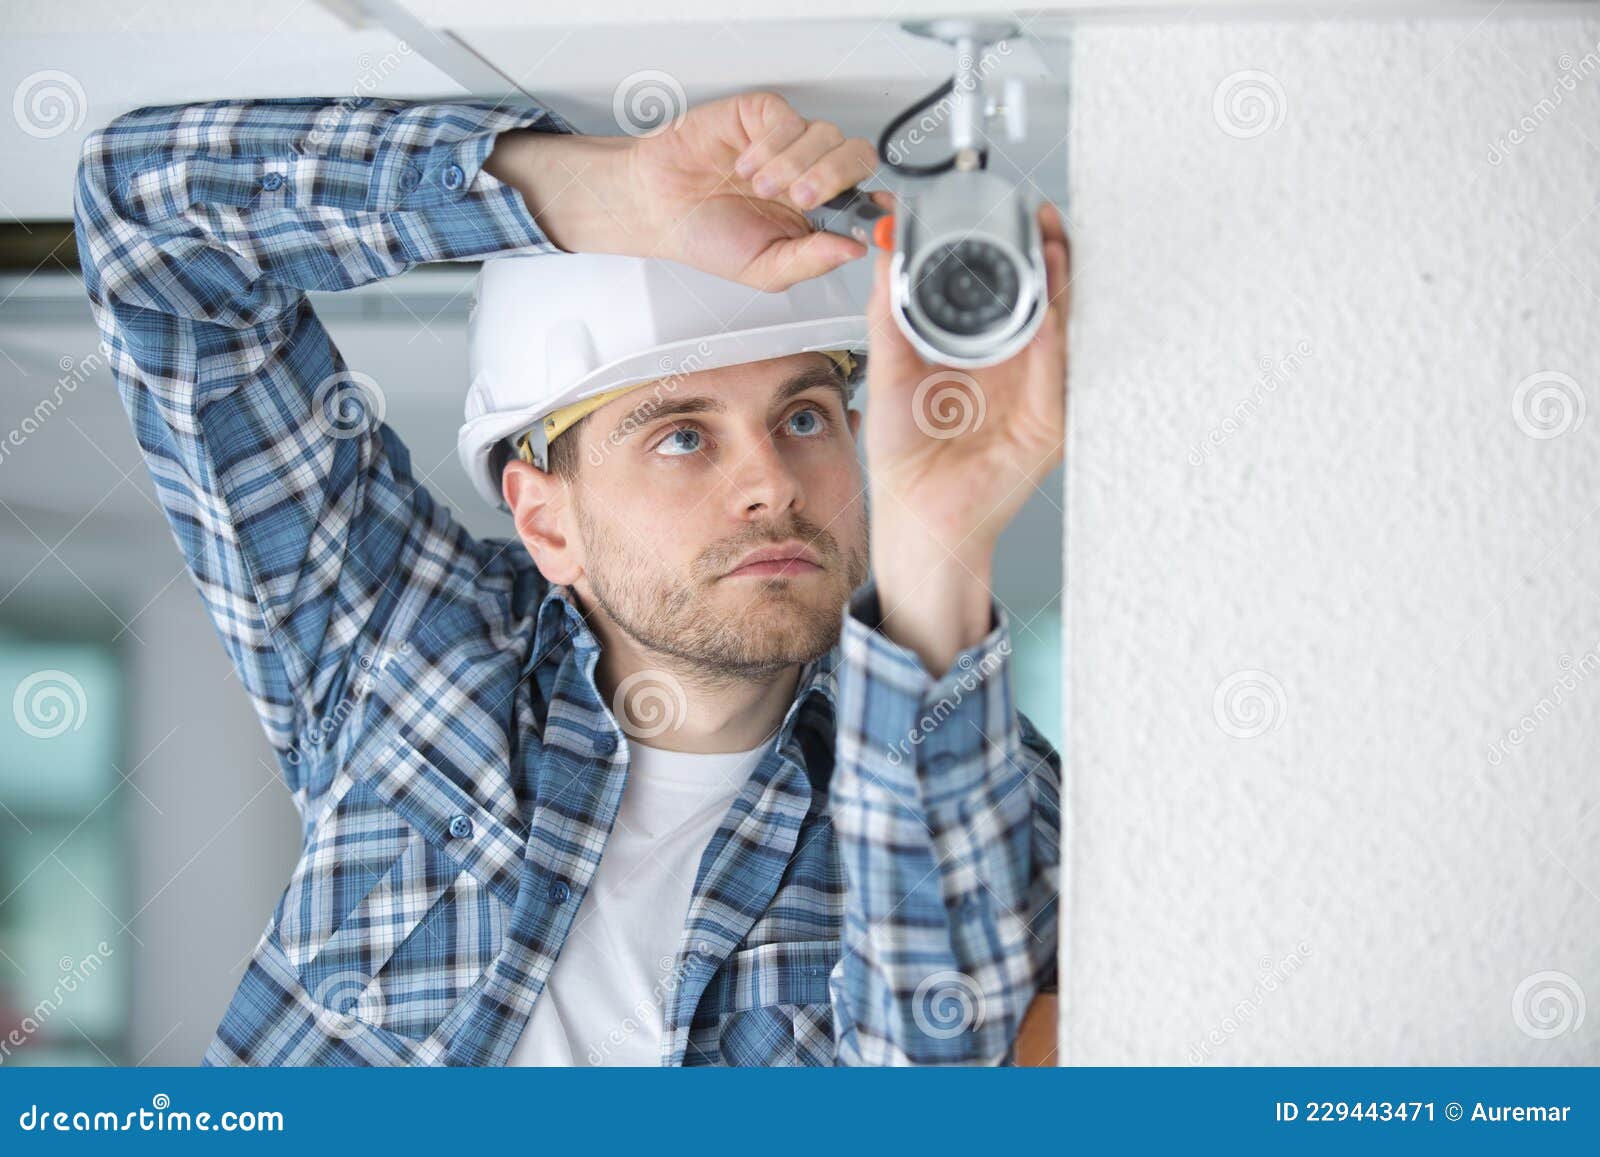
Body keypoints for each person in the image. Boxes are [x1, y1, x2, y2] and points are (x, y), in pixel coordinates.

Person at [72, 87, 1068, 1066]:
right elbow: (151, 223)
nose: (771, 482)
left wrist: (937, 546)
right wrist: (601, 196)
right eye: (682, 436)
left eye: (803, 417)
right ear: (548, 522)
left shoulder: (979, 779)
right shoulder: (407, 648)